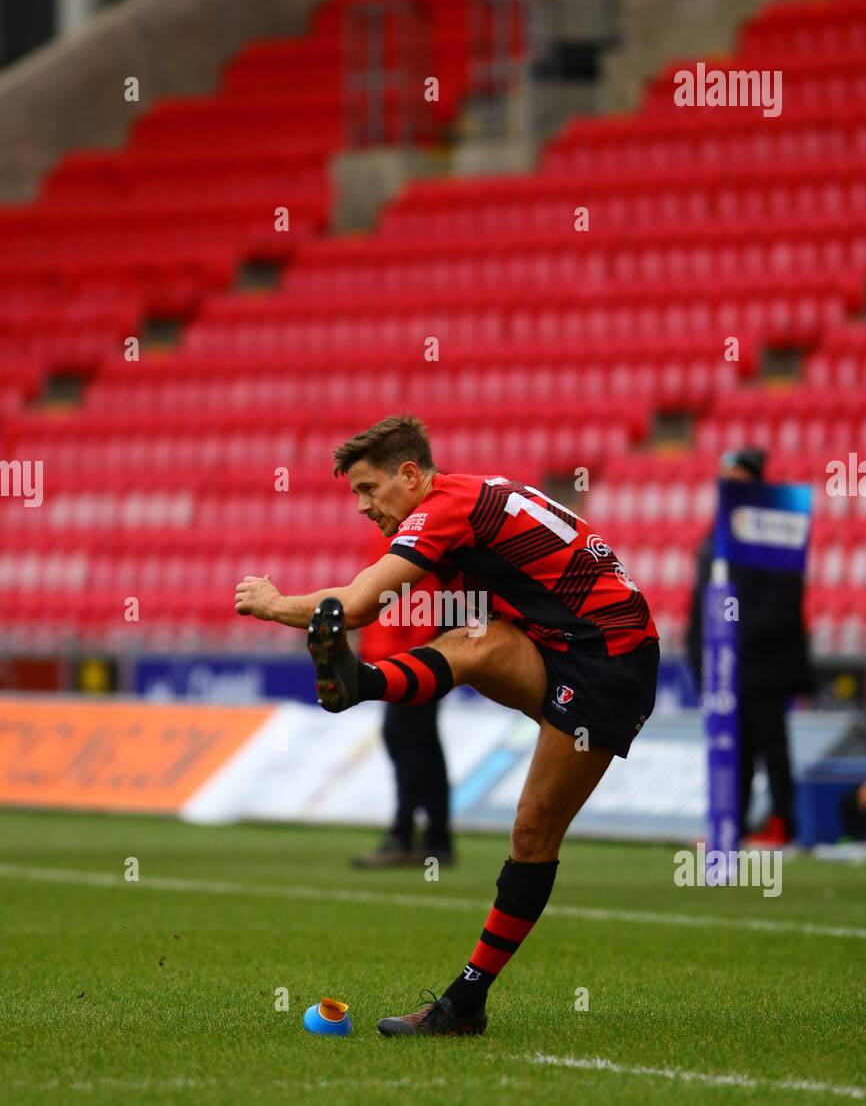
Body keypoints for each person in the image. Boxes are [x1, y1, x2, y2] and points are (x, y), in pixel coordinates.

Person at [236, 415, 659, 1036]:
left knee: (533, 830)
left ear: (411, 475)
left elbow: (354, 605)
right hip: (567, 643)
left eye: (368, 488)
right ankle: (363, 684)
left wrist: (273, 603)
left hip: (608, 659)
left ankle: (465, 1002)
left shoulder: (444, 509)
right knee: (473, 642)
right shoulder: (463, 505)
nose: (361, 505)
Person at [685, 447, 814, 847]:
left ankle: (781, 823)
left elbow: (785, 600)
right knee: (732, 748)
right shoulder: (714, 534)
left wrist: (737, 640)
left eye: (737, 475)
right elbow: (700, 600)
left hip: (764, 663)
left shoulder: (774, 527)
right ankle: (731, 826)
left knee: (771, 744)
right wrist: (699, 652)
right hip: (725, 666)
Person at [352, 529, 454, 868]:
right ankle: (437, 838)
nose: (368, 504)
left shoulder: (425, 519)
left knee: (405, 738)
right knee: (421, 741)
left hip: (414, 649)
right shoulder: (404, 518)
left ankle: (405, 836)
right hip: (402, 646)